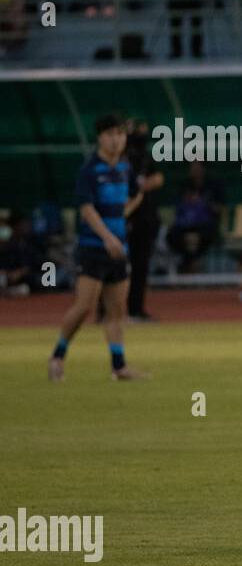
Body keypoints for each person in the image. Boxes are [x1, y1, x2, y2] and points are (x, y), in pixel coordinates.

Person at [48, 114, 148, 383]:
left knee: (117, 310)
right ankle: (58, 356)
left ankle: (119, 366)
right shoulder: (90, 170)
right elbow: (86, 210)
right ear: (100, 137)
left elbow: (129, 200)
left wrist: (125, 215)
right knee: (85, 307)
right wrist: (107, 237)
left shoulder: (125, 169)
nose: (116, 140)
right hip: (94, 248)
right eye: (111, 134)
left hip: (118, 248)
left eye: (120, 134)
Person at [126, 120, 166, 320]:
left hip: (145, 219)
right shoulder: (119, 159)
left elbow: (158, 178)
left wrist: (142, 186)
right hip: (123, 220)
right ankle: (107, 311)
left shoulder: (144, 158)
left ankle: (135, 309)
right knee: (114, 266)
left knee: (140, 266)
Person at [166, 160, 225, 272]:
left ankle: (191, 264)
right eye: (192, 167)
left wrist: (202, 202)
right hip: (186, 224)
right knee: (173, 235)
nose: (194, 170)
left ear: (203, 168)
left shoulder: (214, 185)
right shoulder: (185, 185)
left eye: (197, 167)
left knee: (205, 235)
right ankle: (189, 264)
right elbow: (178, 209)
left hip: (205, 224)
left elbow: (219, 208)